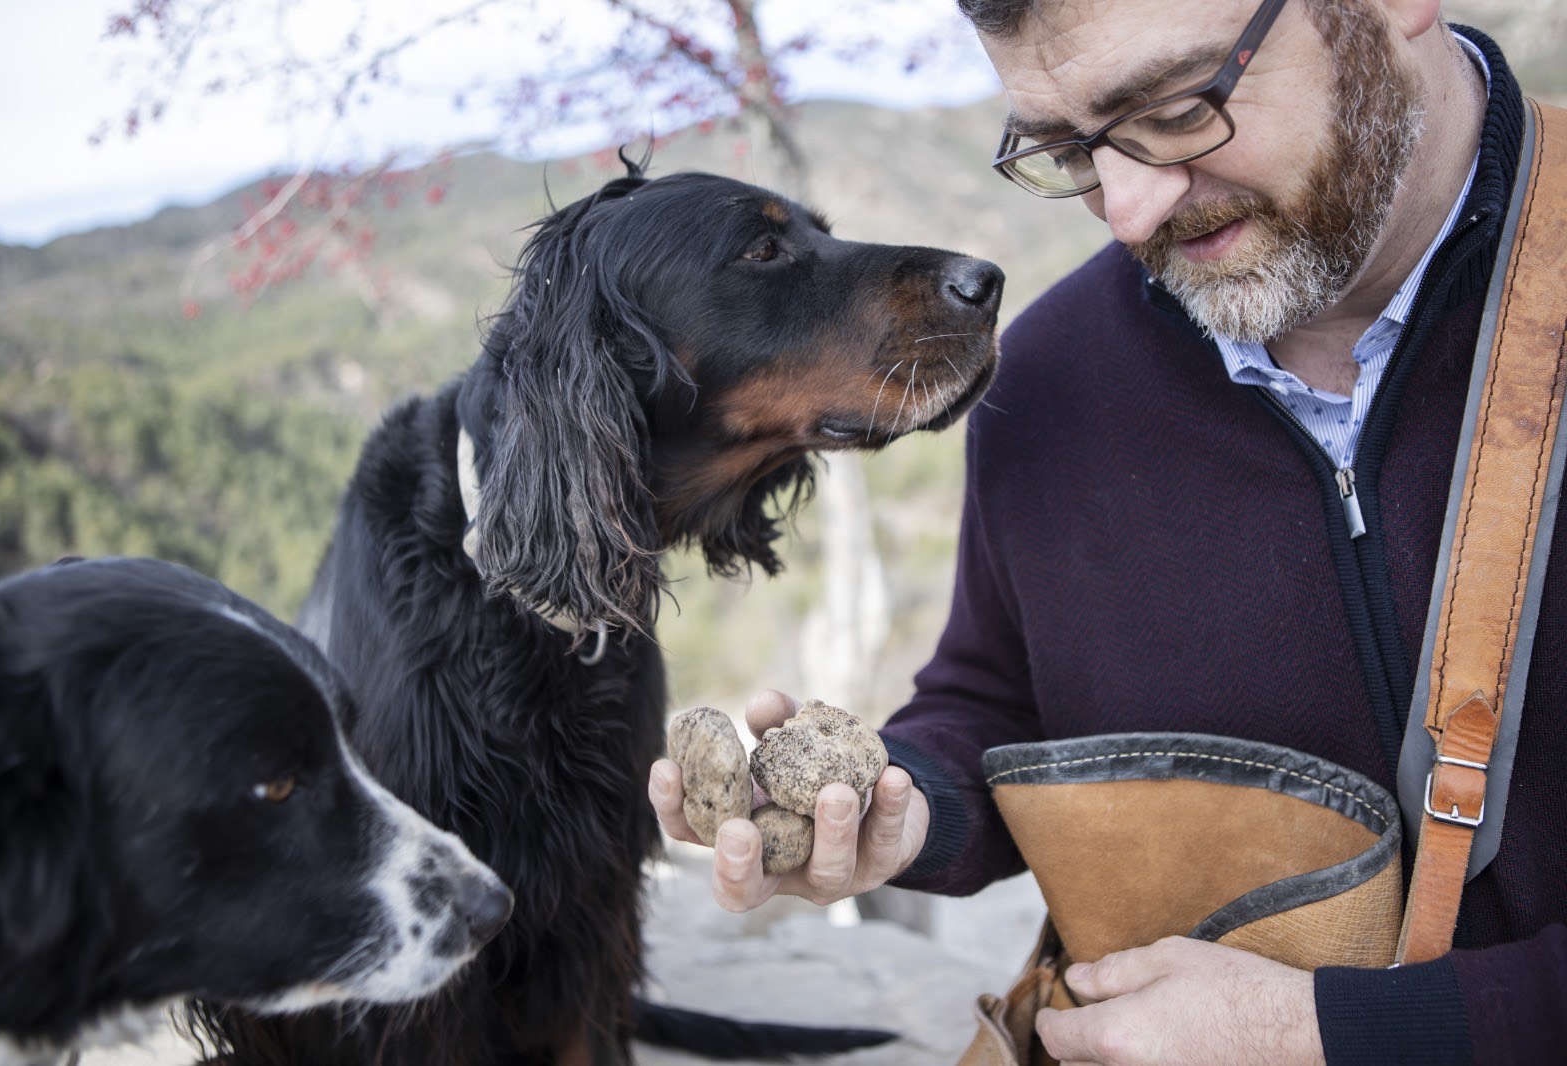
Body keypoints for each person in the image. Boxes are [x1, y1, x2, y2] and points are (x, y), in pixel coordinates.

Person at [649, 0, 1567, 1061]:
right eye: (1064, 150)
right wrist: (900, 809)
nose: (1127, 213)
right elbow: (1001, 703)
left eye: (1179, 109)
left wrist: (1323, 1034)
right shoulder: (1046, 375)